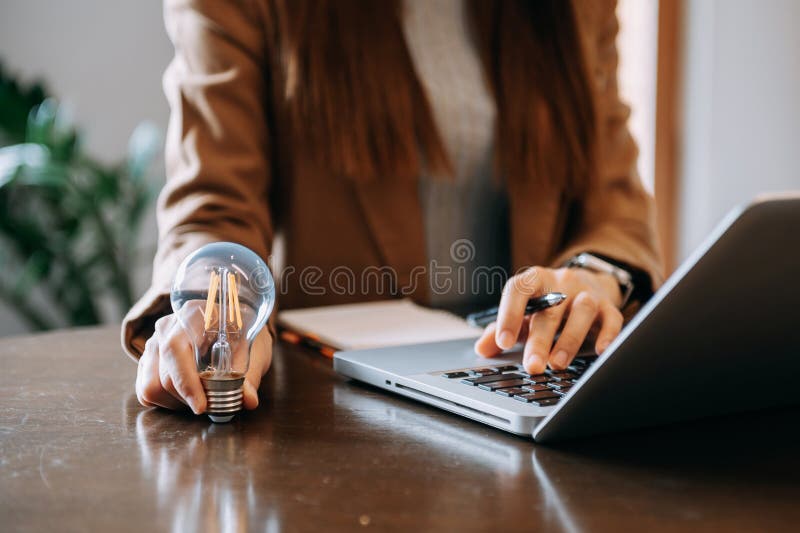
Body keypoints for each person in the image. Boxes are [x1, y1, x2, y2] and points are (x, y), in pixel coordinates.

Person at [123, 0, 662, 415]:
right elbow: (216, 203)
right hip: (333, 408)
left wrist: (593, 276)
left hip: (525, 385)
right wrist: (215, 313)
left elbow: (615, 206)